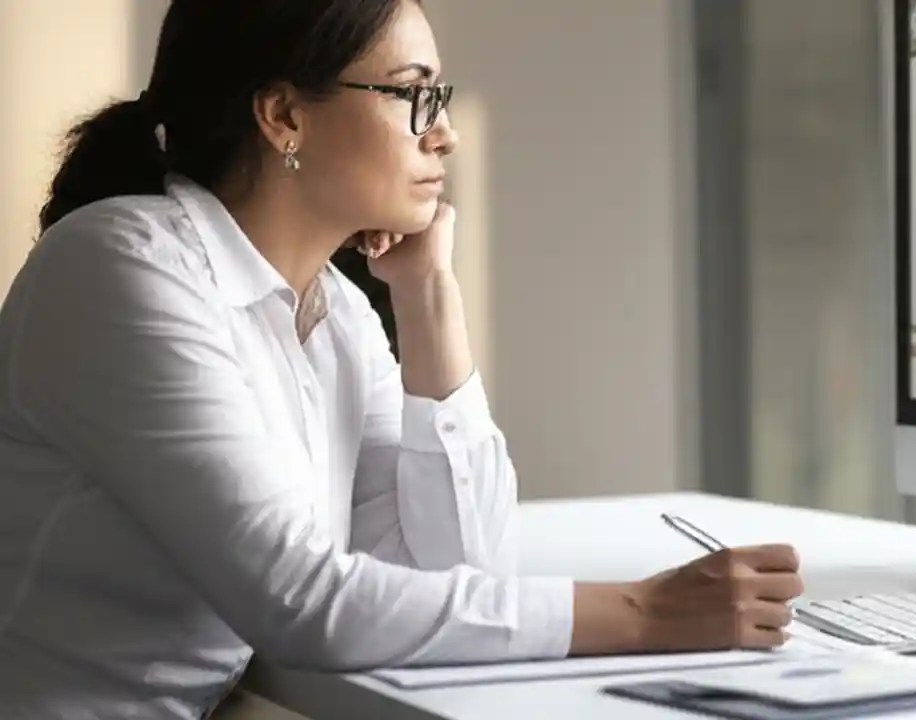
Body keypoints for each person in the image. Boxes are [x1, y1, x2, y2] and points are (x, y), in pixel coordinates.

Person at [0, 1, 805, 718]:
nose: (443, 130)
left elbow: (459, 567)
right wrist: (644, 613)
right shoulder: (121, 267)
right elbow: (304, 603)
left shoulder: (337, 311)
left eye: (440, 96)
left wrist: (427, 296)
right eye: (413, 92)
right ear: (284, 115)